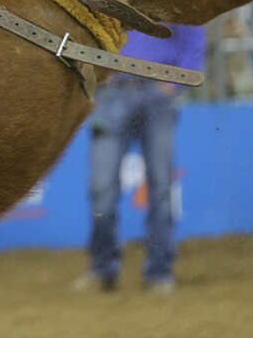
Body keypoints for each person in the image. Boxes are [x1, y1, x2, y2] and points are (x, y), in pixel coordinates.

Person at [81, 24, 206, 294]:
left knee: (160, 188)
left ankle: (158, 271)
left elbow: (195, 39)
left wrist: (173, 85)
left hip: (156, 94)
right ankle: (102, 270)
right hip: (113, 92)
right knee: (102, 186)